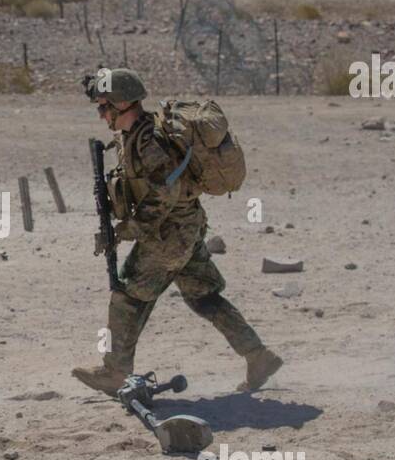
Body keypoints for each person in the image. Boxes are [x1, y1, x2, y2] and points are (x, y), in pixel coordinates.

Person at [72, 68, 282, 396]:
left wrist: (126, 230)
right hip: (185, 227)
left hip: (169, 235)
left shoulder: (149, 140)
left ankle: (114, 372)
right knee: (203, 296)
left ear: (123, 103)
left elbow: (164, 193)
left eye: (104, 107)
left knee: (127, 296)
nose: (101, 115)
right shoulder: (131, 136)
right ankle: (258, 356)